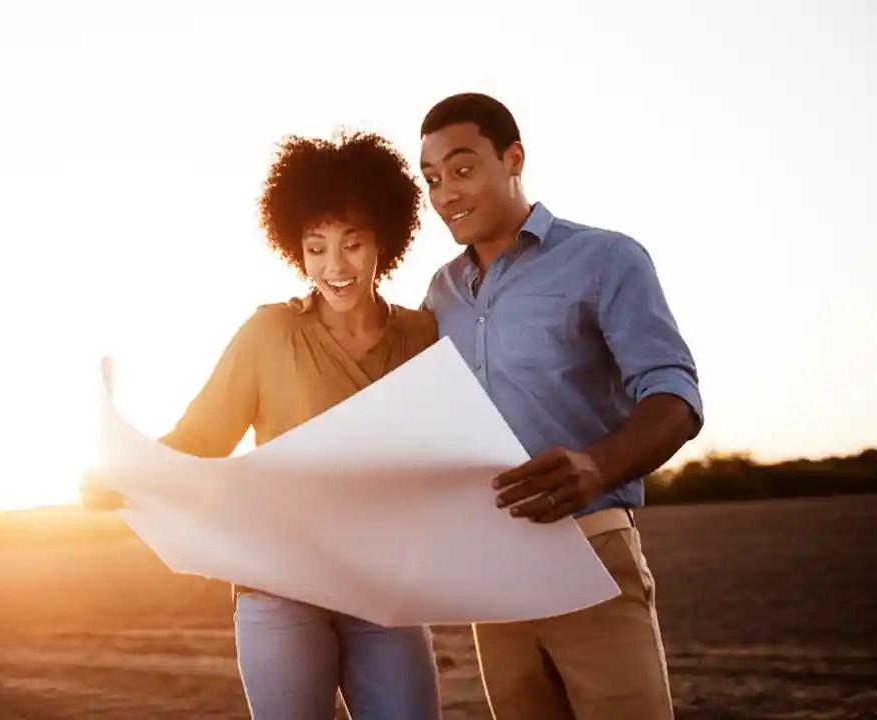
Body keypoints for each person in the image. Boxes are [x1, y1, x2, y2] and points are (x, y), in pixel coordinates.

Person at [83, 130, 442, 720]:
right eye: (316, 246)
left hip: (384, 589)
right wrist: (123, 471)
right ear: (294, 248)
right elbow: (199, 442)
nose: (335, 266)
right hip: (280, 588)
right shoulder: (268, 335)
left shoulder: (422, 338)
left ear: (385, 239)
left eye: (352, 244)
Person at [417, 92, 704, 720]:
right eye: (432, 180)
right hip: (492, 572)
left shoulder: (604, 259)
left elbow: (675, 394)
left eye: (463, 170)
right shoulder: (440, 294)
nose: (446, 194)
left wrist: (597, 466)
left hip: (592, 552)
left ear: (513, 158)